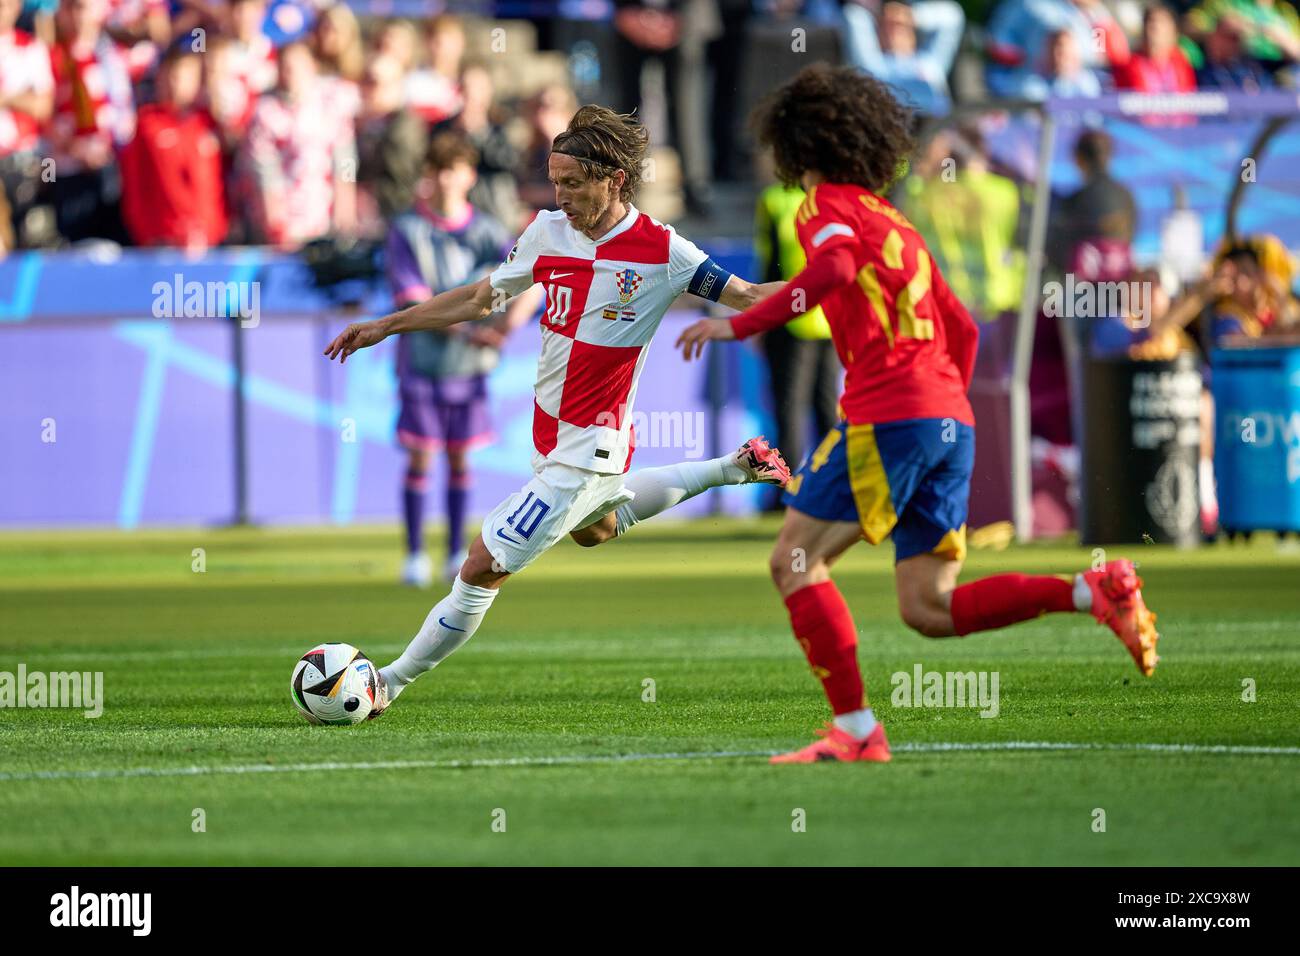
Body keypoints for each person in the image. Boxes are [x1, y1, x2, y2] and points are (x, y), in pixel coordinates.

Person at [676, 65, 1160, 764]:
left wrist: (740, 325)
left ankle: (858, 731)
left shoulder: (823, 207)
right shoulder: (891, 219)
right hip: (946, 419)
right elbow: (959, 324)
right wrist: (941, 406)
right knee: (927, 607)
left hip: (891, 414)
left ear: (795, 146)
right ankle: (1093, 590)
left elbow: (834, 273)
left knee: (795, 562)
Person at [324, 105, 793, 714]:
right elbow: (478, 297)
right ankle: (732, 467)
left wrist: (843, 285)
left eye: (574, 183)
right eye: (556, 181)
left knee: (483, 564)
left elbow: (750, 296)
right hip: (553, 434)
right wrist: (388, 325)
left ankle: (389, 681)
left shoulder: (661, 250)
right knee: (595, 529)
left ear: (614, 179)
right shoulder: (547, 231)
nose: (562, 195)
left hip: (589, 445)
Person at [386, 132, 540, 587]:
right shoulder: (408, 231)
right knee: (420, 456)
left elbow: (530, 279)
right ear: (429, 177)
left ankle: (454, 550)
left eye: (457, 170)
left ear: (470, 176)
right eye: (440, 171)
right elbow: (413, 297)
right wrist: (473, 328)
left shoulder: (489, 232)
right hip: (423, 363)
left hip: (470, 369)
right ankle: (414, 555)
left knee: (459, 459)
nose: (449, 180)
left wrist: (505, 330)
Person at [119, 44, 227, 249]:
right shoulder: (146, 125)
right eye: (171, 75)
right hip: (162, 241)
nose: (176, 83)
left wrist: (213, 228)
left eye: (185, 76)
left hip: (209, 240)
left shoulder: (209, 123)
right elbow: (133, 184)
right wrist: (146, 234)